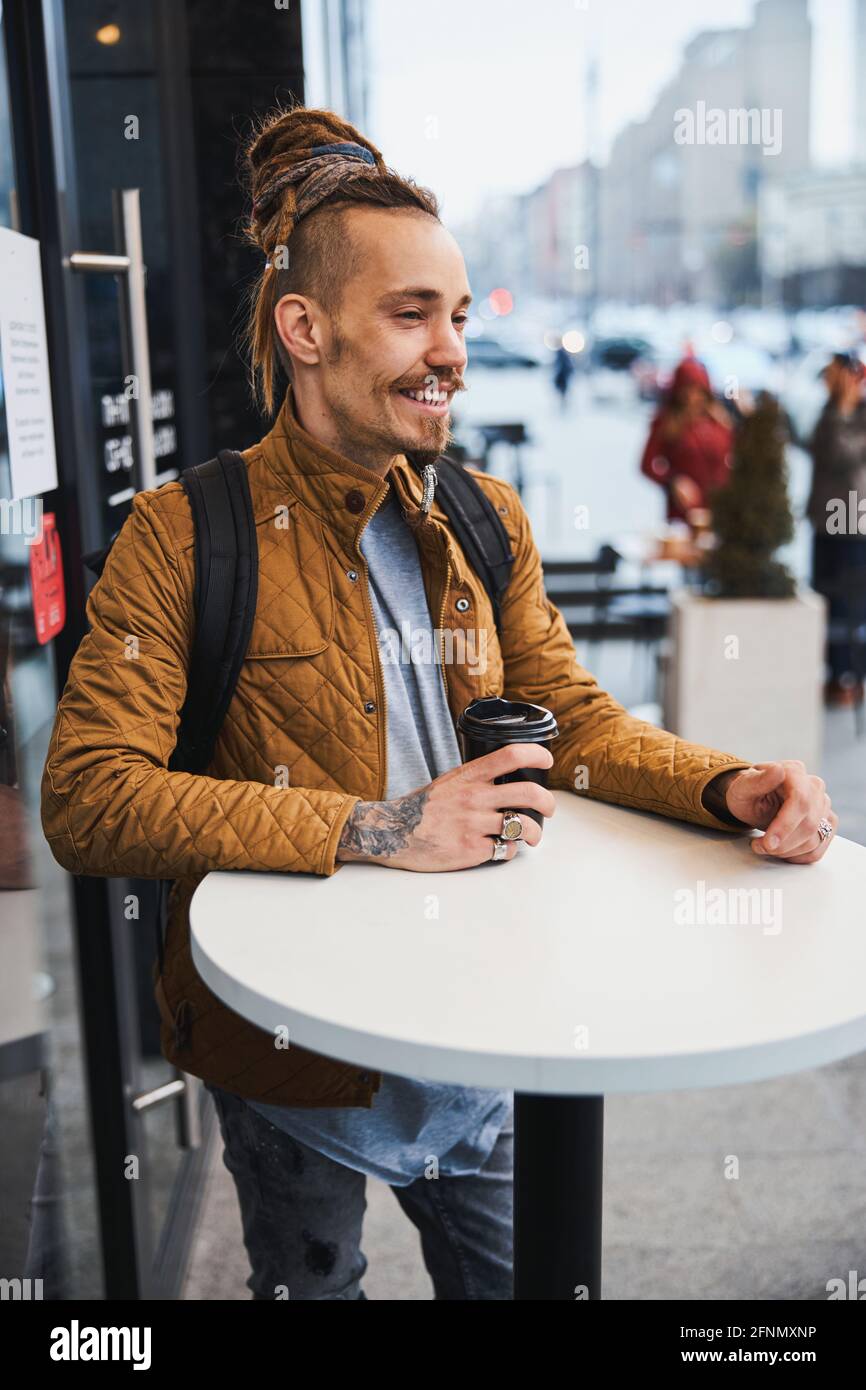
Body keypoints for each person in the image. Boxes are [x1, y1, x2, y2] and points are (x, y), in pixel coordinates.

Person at [40, 105, 838, 1301]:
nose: (451, 350)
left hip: (484, 1025)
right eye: (411, 314)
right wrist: (377, 827)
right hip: (290, 1060)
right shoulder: (184, 533)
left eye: (457, 315)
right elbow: (90, 801)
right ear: (302, 328)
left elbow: (576, 721)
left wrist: (724, 783)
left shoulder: (481, 515)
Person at [807, 351, 866, 706]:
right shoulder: (830, 411)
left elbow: (843, 455)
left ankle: (850, 676)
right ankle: (832, 674)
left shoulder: (856, 413)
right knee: (826, 599)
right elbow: (816, 447)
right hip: (826, 521)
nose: (827, 381)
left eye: (832, 375)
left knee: (852, 604)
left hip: (852, 522)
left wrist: (843, 406)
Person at [640, 355, 734, 522]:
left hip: (721, 508)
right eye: (687, 391)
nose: (692, 397)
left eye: (698, 391)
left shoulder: (719, 421)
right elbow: (648, 465)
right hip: (684, 511)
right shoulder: (668, 422)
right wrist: (673, 482)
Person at [552, 341, 575, 408]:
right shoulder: (563, 353)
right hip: (562, 375)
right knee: (562, 391)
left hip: (562, 375)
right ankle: (563, 403)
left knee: (563, 391)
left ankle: (563, 404)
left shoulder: (561, 353)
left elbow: (565, 365)